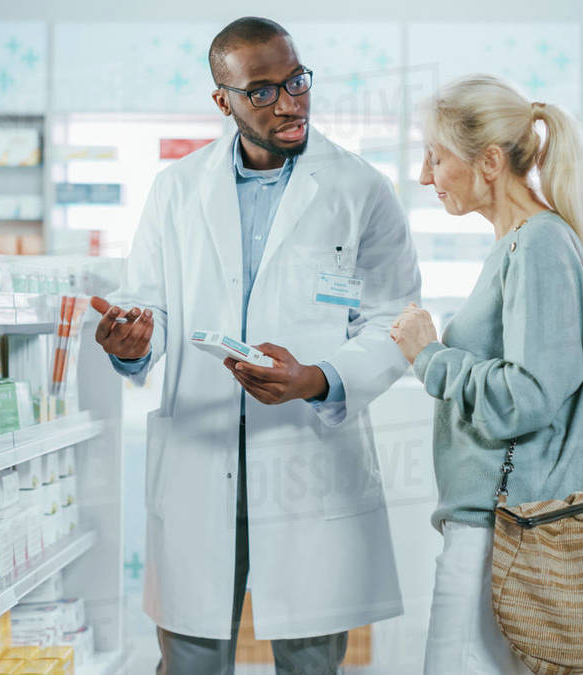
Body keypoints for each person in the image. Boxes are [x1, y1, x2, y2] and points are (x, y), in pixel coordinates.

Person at [90, 17, 420, 675]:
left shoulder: (359, 190)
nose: (289, 101)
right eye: (262, 91)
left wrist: (318, 376)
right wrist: (132, 341)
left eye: (296, 80)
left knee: (309, 659)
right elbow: (147, 305)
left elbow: (396, 321)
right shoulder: (176, 190)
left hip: (306, 458)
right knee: (190, 659)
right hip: (200, 454)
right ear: (225, 101)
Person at [389, 75, 583, 675]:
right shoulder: (523, 245)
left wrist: (429, 356)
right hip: (502, 531)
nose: (425, 176)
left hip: (504, 535)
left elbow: (528, 395)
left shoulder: (539, 246)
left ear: (489, 161)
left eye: (435, 158)